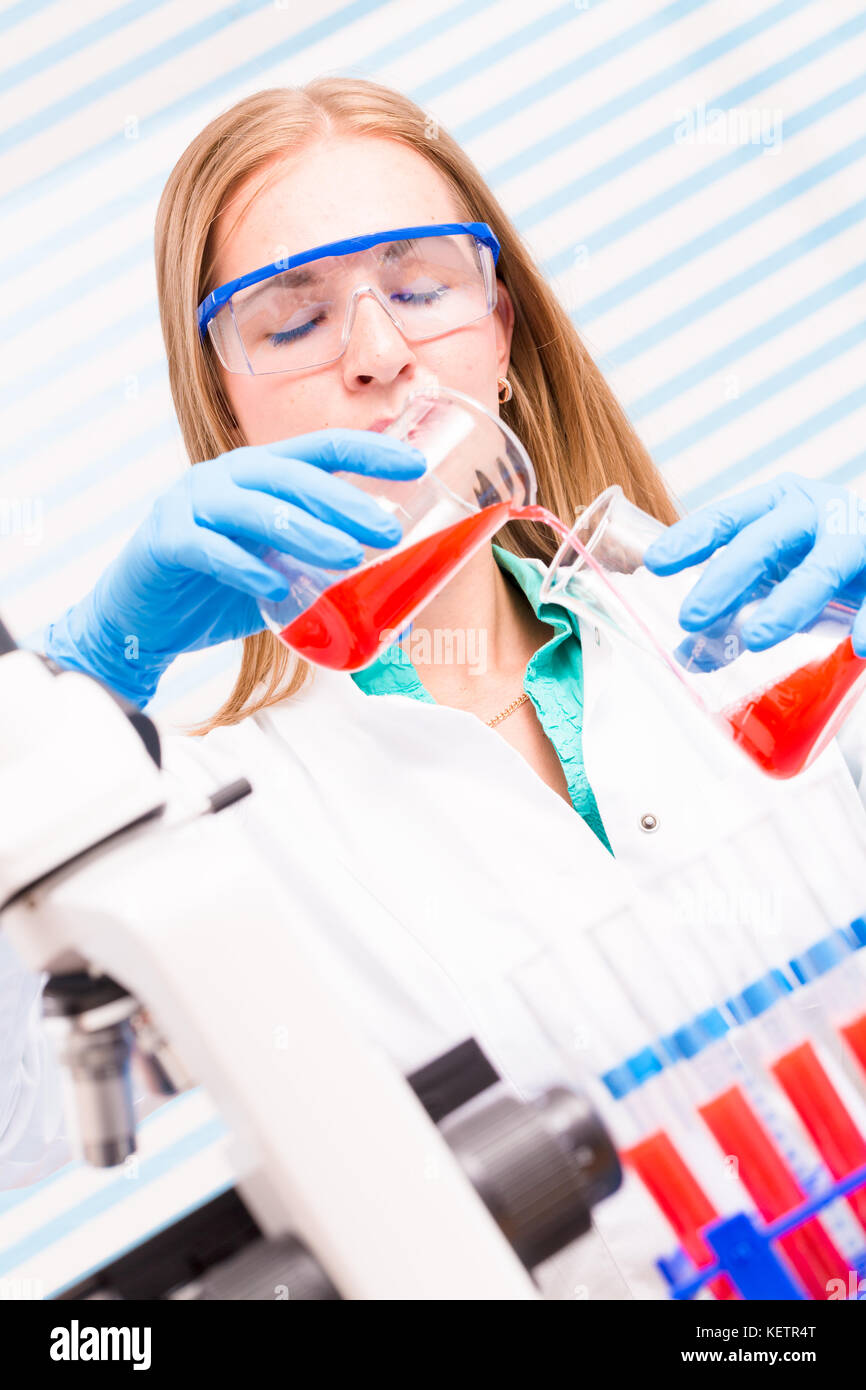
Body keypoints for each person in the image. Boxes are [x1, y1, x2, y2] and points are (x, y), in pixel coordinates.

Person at [5, 79, 866, 1297]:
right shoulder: (202, 818)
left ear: (501, 335)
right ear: (226, 408)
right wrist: (75, 701)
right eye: (291, 322)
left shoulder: (765, 629)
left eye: (416, 290)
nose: (378, 354)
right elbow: (15, 1128)